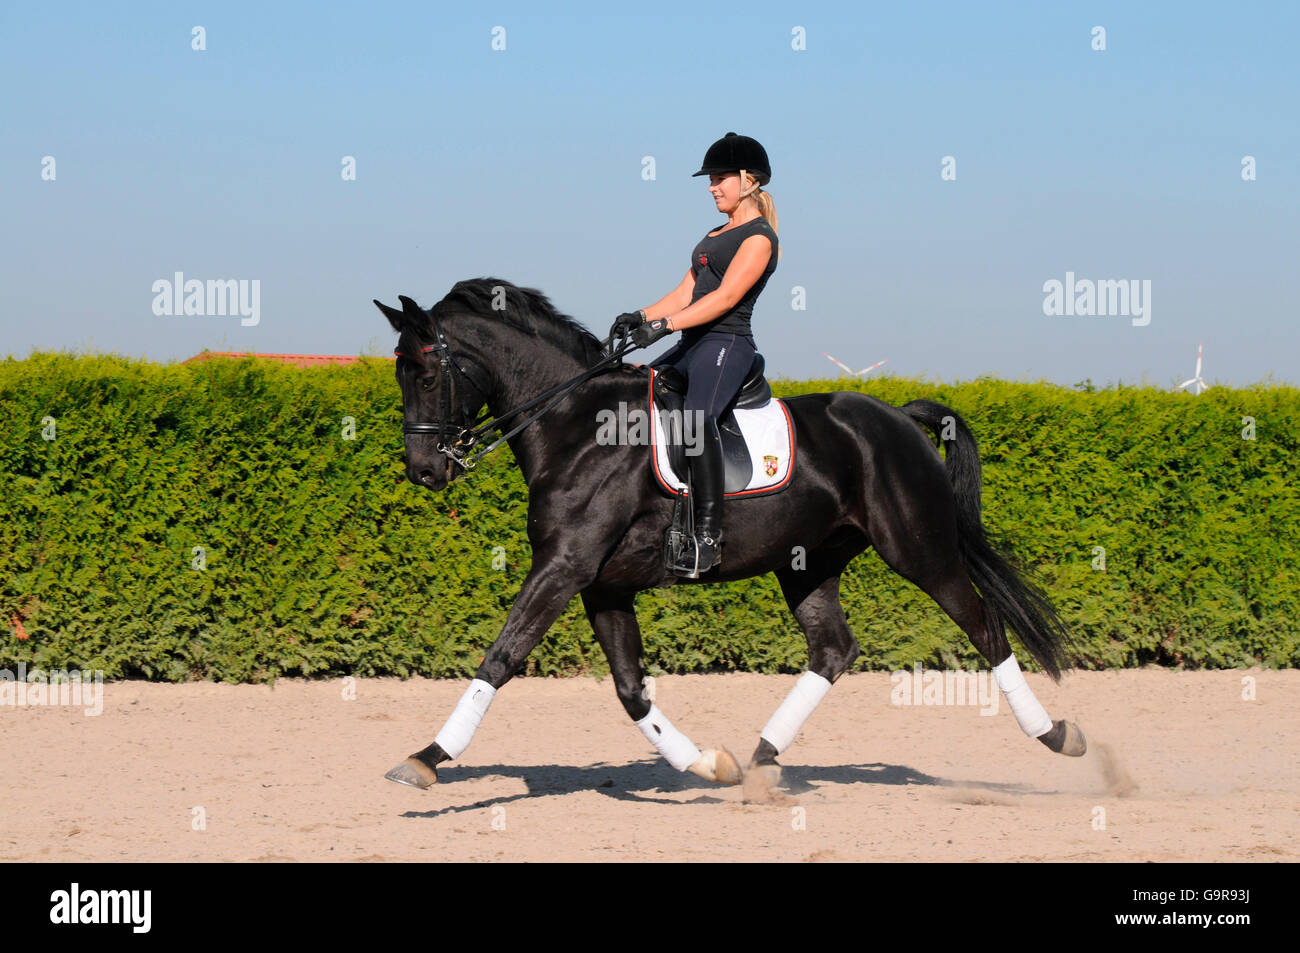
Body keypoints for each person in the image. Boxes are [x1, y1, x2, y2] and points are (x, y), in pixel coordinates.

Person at [614, 132, 780, 577]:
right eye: (710, 179)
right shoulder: (714, 234)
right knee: (633, 392)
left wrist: (665, 326)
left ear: (749, 181)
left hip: (726, 344)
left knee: (697, 420)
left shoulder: (759, 238)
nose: (712, 186)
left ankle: (706, 537)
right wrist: (641, 314)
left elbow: (725, 299)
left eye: (720, 178)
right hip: (692, 343)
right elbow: (687, 290)